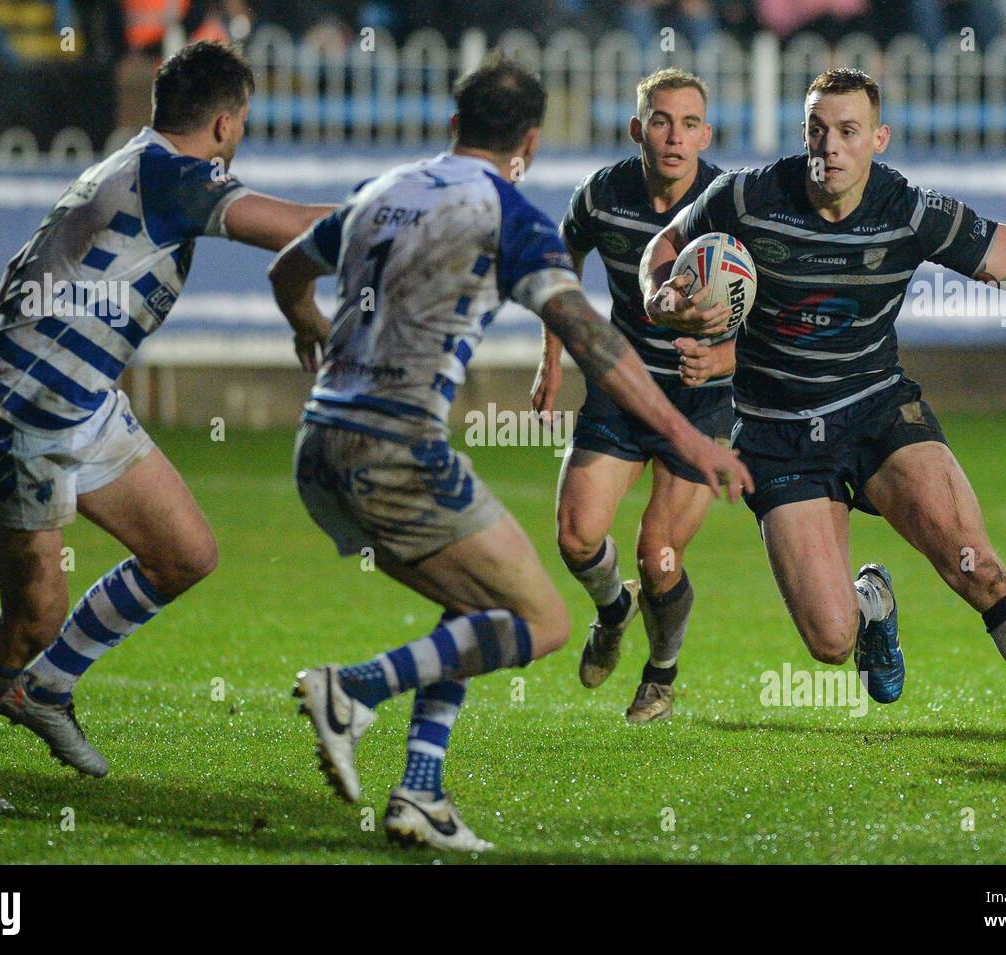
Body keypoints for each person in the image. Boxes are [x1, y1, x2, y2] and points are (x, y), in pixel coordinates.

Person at [269, 54, 753, 851]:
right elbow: (594, 340)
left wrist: (308, 324)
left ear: (453, 124)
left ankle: (421, 790)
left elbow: (288, 267)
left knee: (477, 597)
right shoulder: (511, 214)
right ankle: (352, 688)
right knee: (540, 620)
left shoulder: (382, 190)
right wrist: (685, 433)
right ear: (528, 141)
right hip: (399, 451)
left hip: (315, 448)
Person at [640, 67, 1006, 772]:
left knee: (977, 565)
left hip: (878, 411)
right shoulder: (749, 197)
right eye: (818, 131)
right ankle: (872, 605)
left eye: (849, 132)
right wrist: (663, 299)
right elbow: (663, 249)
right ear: (803, 134)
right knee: (829, 640)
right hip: (777, 431)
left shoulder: (910, 211)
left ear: (878, 139)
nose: (831, 147)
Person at [0, 41, 336, 810]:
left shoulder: (129, 165)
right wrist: (408, 214)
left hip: (80, 402)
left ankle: (44, 687)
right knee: (33, 614)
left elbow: (21, 266)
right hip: (21, 415)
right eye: (241, 123)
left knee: (184, 552)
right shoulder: (172, 174)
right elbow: (297, 228)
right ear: (226, 124)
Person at [532, 68, 734, 723]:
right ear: (635, 129)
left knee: (658, 556)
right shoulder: (601, 195)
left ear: (706, 135)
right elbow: (559, 264)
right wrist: (551, 358)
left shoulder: (730, 205)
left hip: (702, 402)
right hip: (622, 387)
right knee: (575, 536)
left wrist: (722, 357)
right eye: (661, 121)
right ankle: (613, 609)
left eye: (689, 124)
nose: (674, 137)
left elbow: (775, 318)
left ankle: (660, 676)